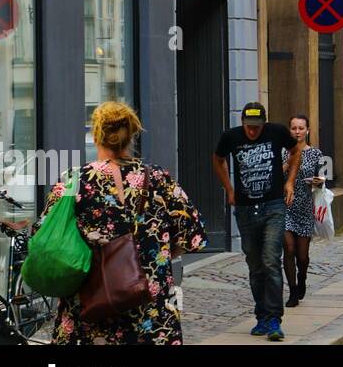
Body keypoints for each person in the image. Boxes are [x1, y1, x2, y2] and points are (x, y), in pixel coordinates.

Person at [39, 102, 205, 345]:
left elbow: (46, 236)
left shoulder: (74, 181)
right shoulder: (158, 178)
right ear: (131, 135)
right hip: (148, 306)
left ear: (96, 134)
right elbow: (193, 235)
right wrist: (155, 258)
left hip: (90, 305)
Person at [213, 101, 301, 341]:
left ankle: (274, 319)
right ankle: (261, 315)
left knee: (271, 259)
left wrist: (290, 181)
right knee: (255, 264)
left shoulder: (276, 132)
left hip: (273, 205)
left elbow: (296, 150)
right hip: (245, 208)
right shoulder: (230, 136)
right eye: (249, 127)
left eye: (257, 127)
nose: (253, 131)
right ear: (243, 123)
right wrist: (229, 189)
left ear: (264, 123)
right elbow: (217, 159)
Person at [283, 115, 326, 309]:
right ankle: (292, 291)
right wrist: (289, 162)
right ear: (289, 130)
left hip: (305, 208)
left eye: (301, 128)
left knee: (302, 256)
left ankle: (302, 277)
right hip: (285, 207)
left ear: (307, 130)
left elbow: (325, 177)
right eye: (294, 128)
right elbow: (275, 174)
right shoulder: (283, 152)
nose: (297, 131)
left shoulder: (316, 153)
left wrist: (319, 181)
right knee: (288, 250)